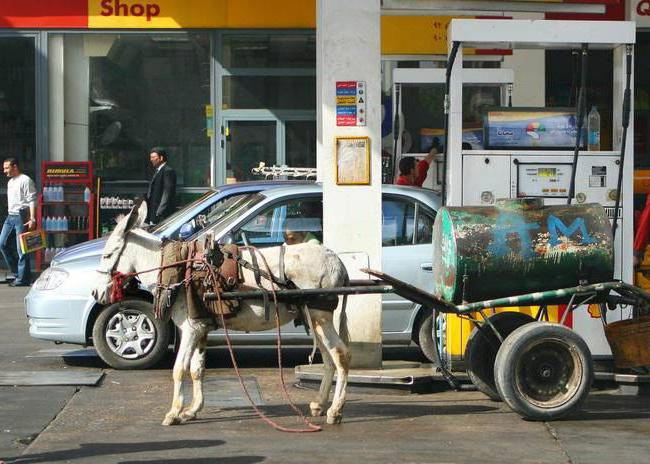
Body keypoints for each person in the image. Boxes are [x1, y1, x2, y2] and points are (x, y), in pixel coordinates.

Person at [0, 157, 36, 286]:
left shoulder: (26, 180)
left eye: (6, 168)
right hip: (10, 216)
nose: (4, 171)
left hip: (22, 216)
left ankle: (22, 279)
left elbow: (32, 199)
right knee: (2, 243)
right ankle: (18, 273)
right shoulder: (10, 182)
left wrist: (32, 218)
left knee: (22, 248)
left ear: (15, 167)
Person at [145, 147, 176, 225]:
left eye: (153, 157)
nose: (151, 159)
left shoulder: (167, 171)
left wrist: (160, 211)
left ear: (161, 158)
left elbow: (167, 193)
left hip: (161, 215)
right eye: (150, 157)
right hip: (153, 213)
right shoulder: (157, 171)